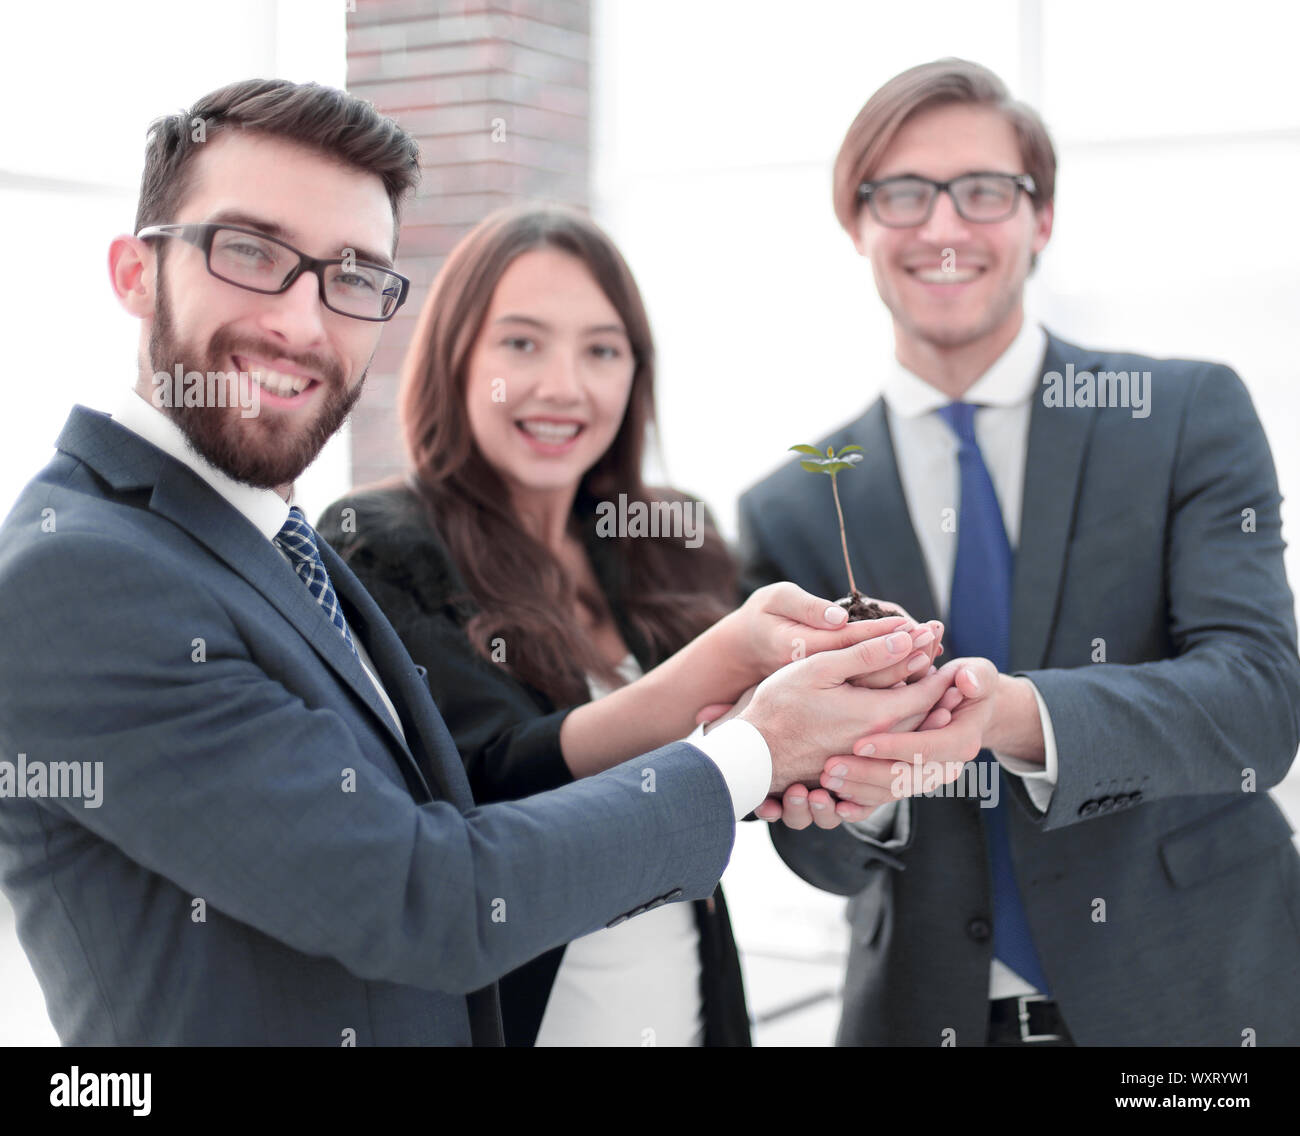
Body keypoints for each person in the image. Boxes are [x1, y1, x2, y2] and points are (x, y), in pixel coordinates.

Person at [0, 78, 972, 1046]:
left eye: (351, 277)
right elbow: (432, 887)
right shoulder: (81, 574)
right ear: (134, 271)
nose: (302, 323)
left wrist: (835, 741)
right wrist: (751, 739)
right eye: (250, 251)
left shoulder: (278, 545)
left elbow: (443, 828)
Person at [740, 58, 1300, 1046]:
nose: (944, 227)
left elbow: (1257, 704)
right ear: (857, 224)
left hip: (1196, 1010)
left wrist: (1014, 714)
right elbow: (813, 853)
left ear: (1040, 219)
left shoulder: (1180, 415)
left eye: (984, 191)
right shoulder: (793, 507)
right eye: (903, 193)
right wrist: (860, 800)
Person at [317, 204, 949, 1046]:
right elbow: (488, 779)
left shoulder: (666, 537)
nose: (564, 386)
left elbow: (752, 783)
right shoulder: (381, 540)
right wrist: (725, 660)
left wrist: (859, 752)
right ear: (456, 356)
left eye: (602, 350)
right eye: (521, 343)